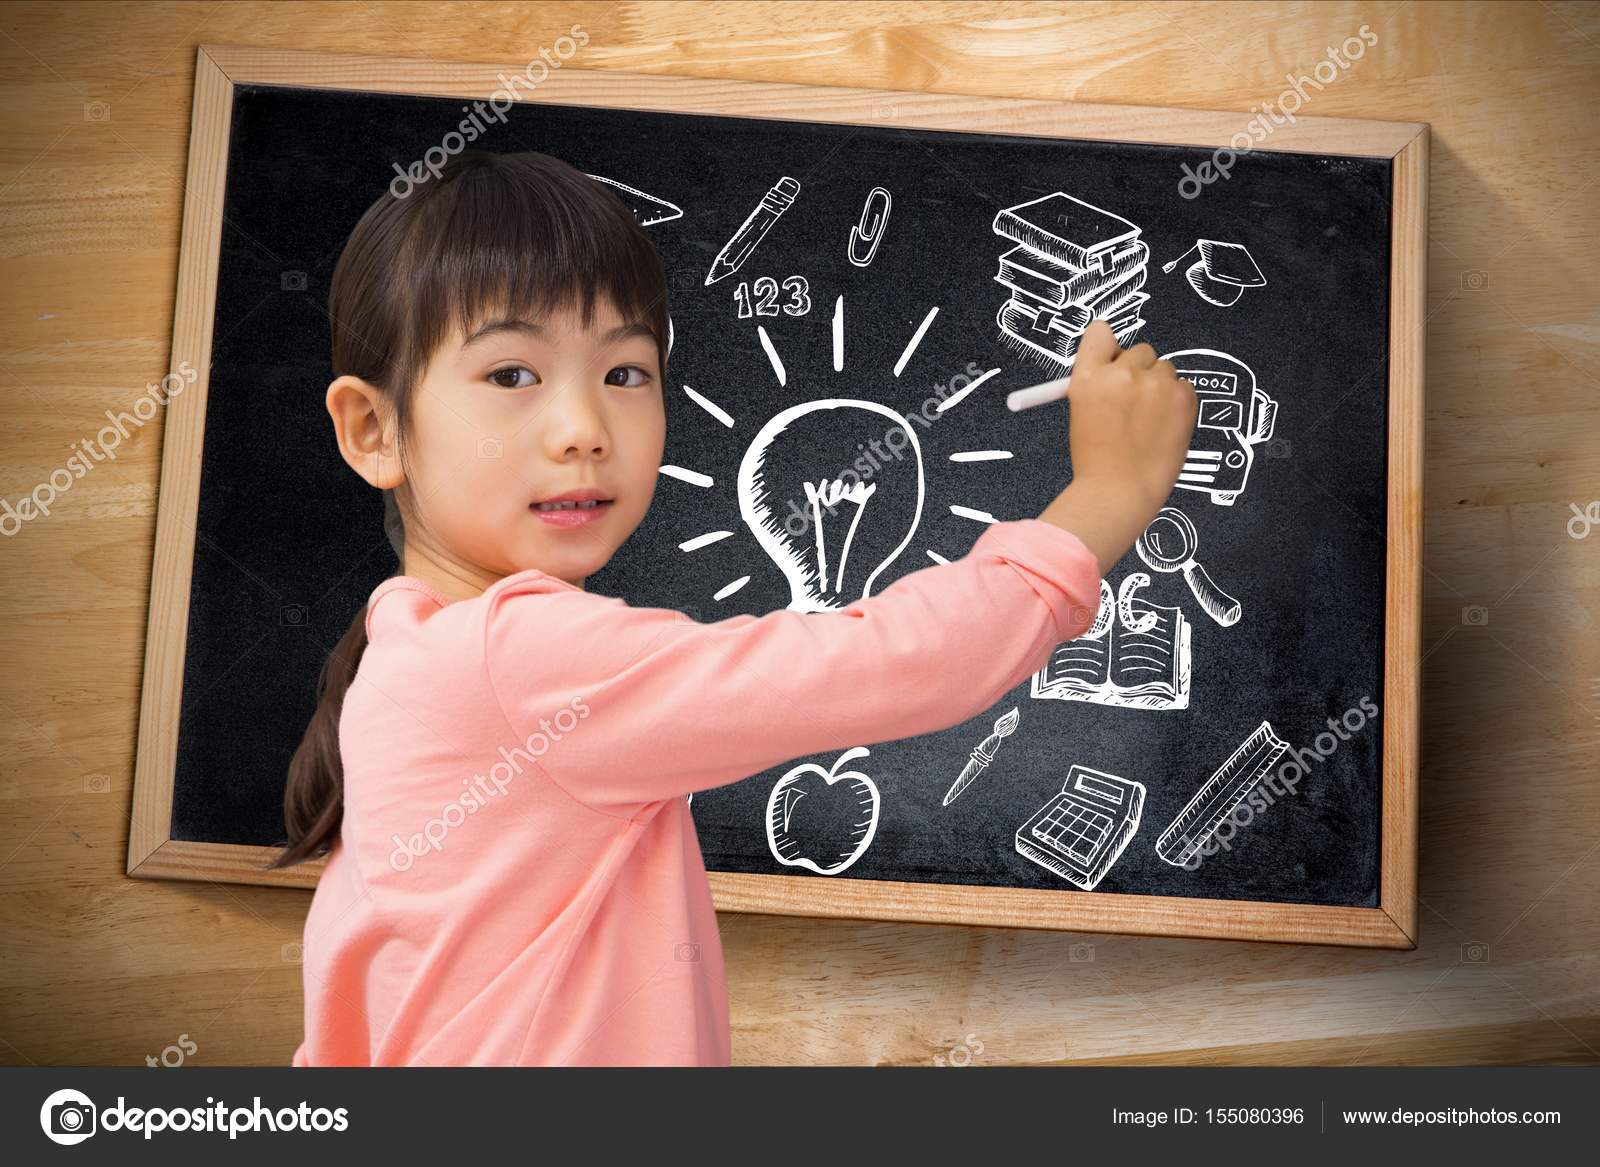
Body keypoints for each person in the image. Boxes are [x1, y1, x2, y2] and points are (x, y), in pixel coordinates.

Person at [275, 149, 1196, 1066]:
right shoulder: (515, 656)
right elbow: (893, 664)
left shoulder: (410, 656)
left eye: (625, 373)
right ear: (375, 428)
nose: (583, 430)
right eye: (512, 375)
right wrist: (1111, 493)